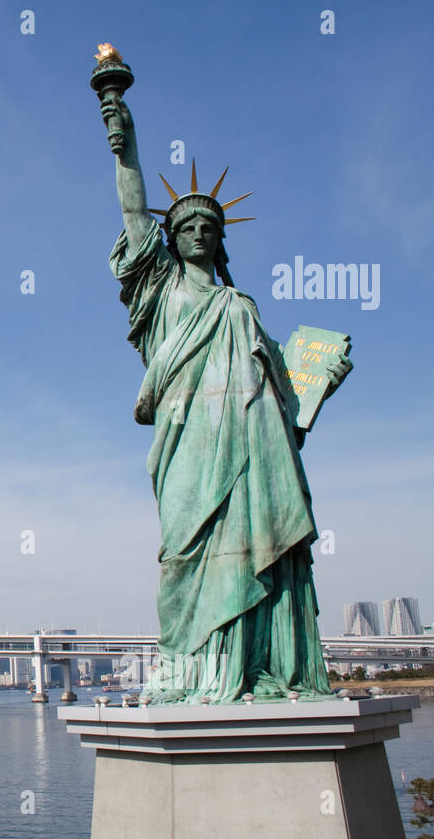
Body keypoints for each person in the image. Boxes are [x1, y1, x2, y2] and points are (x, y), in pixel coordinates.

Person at [101, 94, 350, 703]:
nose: (198, 235)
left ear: (220, 239)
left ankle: (254, 667)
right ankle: (193, 670)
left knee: (254, 542)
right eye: (186, 228)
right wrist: (123, 133)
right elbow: (134, 212)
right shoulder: (161, 289)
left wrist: (319, 384)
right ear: (172, 237)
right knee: (184, 553)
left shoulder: (241, 307)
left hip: (253, 447)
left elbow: (284, 401)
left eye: (208, 229)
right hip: (188, 441)